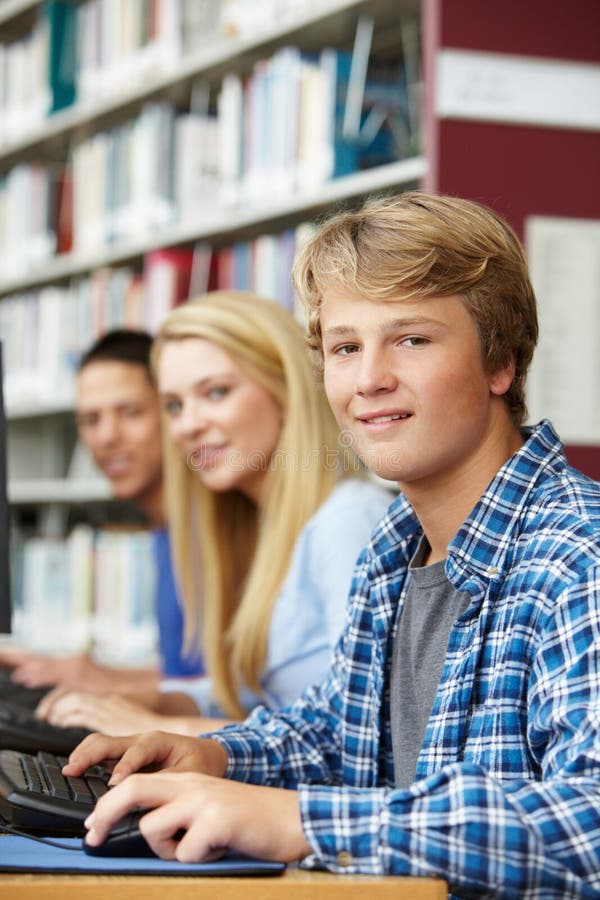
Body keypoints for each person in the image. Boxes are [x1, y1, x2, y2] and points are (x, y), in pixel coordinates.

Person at [65, 193, 600, 898]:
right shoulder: (392, 549)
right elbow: (338, 731)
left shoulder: (576, 555)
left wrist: (300, 821)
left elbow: (587, 824)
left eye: (411, 339)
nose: (369, 378)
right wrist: (216, 754)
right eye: (346, 347)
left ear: (499, 362)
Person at [39, 291, 393, 736]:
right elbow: (264, 696)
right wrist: (165, 700)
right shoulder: (263, 528)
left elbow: (364, 739)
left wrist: (163, 727)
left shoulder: (348, 522)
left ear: (285, 390)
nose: (187, 425)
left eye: (216, 392)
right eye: (175, 405)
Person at [0, 329, 203, 693]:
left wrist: (108, 682)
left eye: (130, 412)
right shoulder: (164, 535)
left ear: (175, 410)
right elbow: (192, 682)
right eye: (91, 420)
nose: (107, 437)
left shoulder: (214, 536)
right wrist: (83, 673)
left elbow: (242, 699)